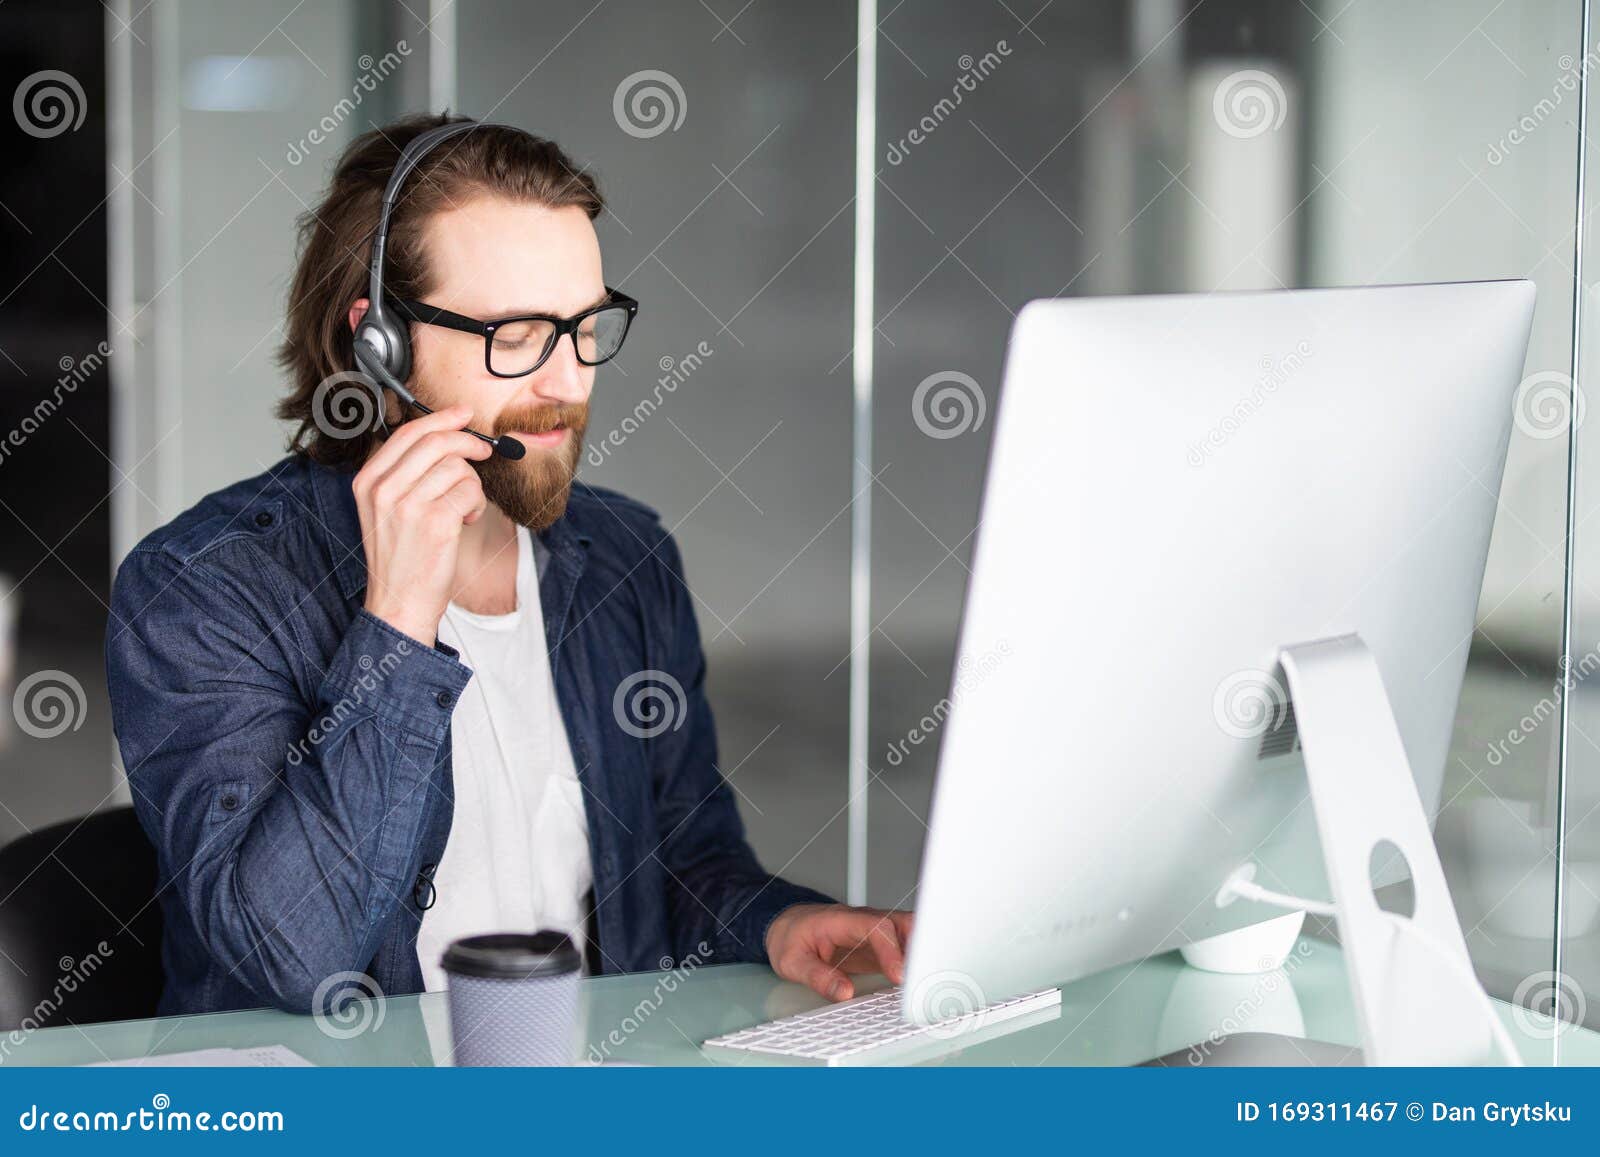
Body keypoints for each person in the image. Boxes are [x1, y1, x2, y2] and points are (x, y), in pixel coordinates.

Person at [105, 113, 912, 1016]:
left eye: (584, 326)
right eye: (519, 335)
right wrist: (399, 620)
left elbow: (682, 861)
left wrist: (775, 920)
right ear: (381, 345)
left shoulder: (625, 561)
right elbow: (296, 953)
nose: (566, 382)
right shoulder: (204, 591)